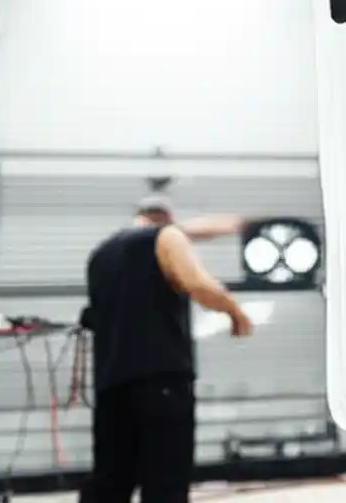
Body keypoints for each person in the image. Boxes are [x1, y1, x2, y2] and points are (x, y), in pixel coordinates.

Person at [81, 195, 253, 503]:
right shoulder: (166, 236)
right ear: (166, 217)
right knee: (165, 482)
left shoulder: (100, 255)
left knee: (110, 482)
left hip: (112, 386)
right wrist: (235, 312)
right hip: (161, 381)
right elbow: (197, 283)